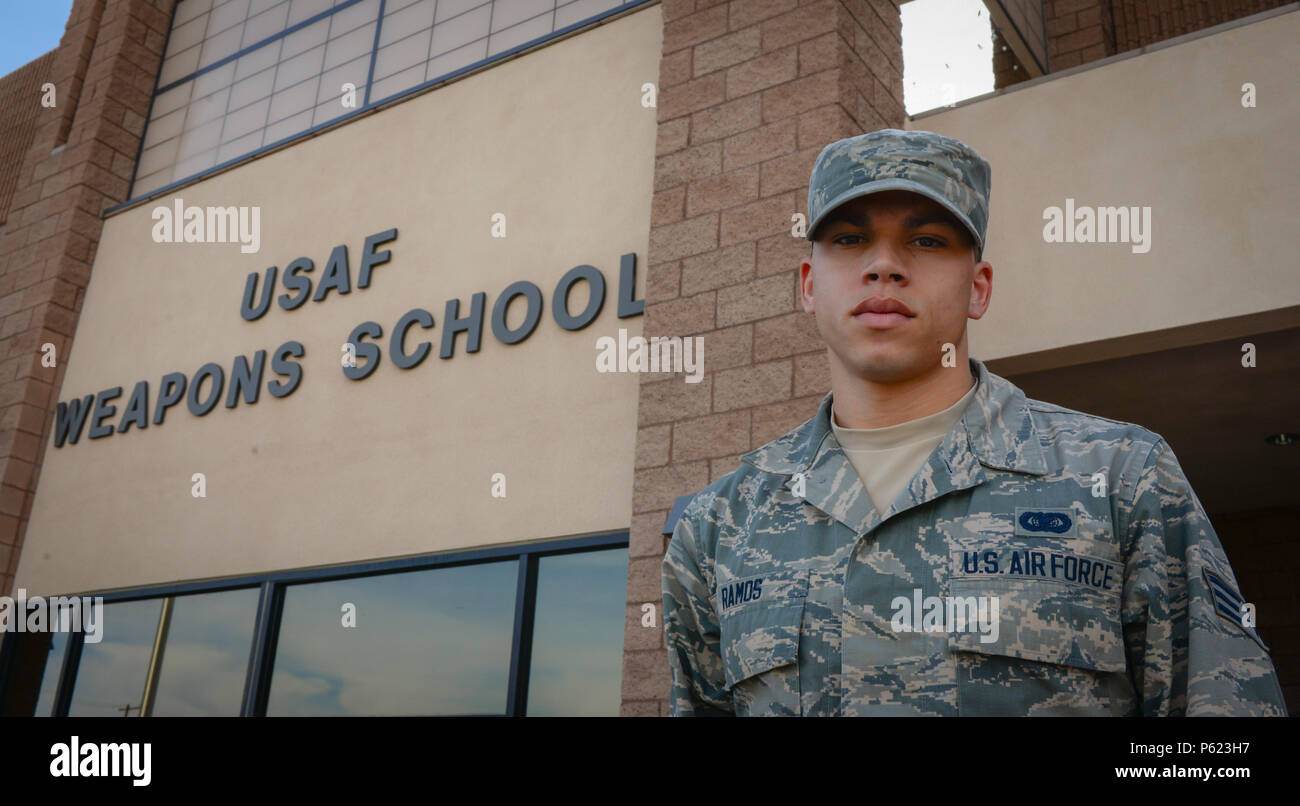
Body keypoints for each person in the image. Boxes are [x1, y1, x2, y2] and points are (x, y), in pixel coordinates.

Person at [661, 128, 1287, 716]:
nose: (884, 266)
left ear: (979, 287)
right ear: (807, 285)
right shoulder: (722, 525)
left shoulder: (1122, 480)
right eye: (850, 240)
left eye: (927, 240)